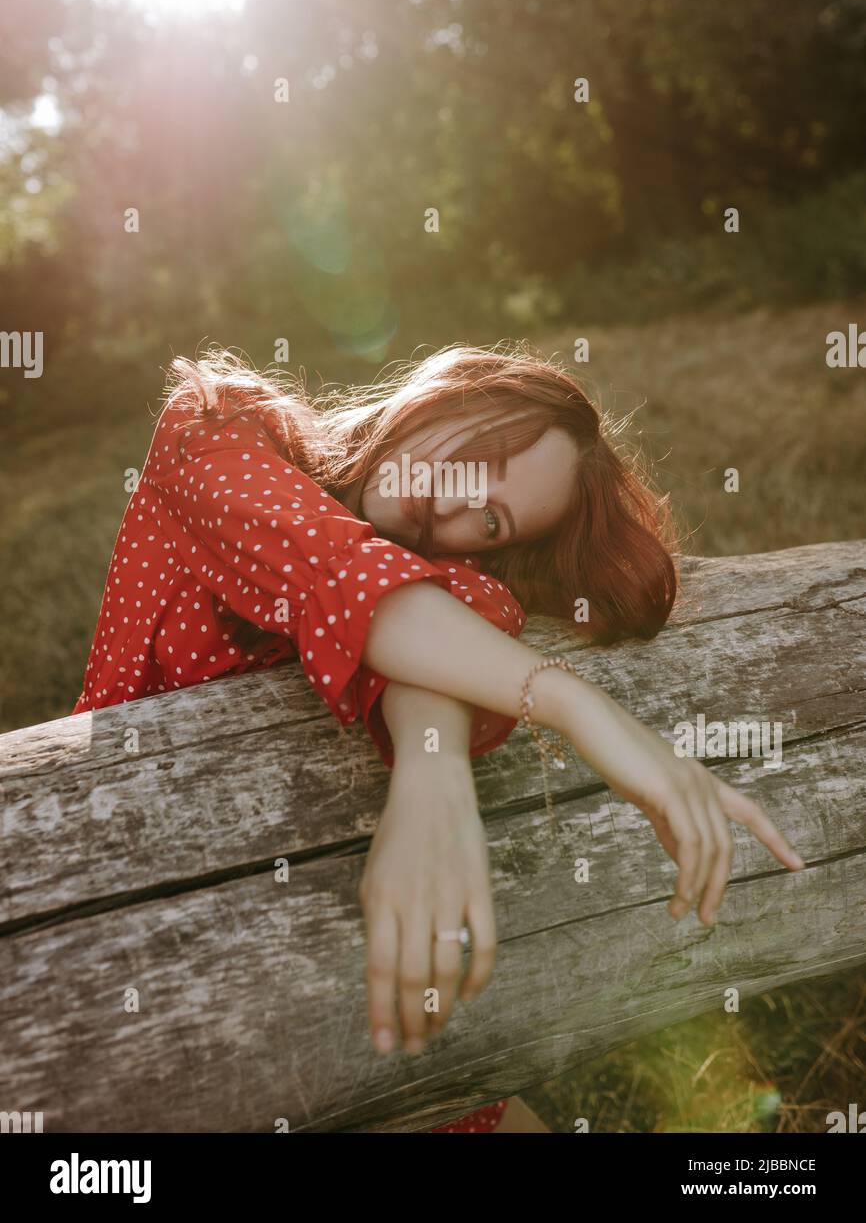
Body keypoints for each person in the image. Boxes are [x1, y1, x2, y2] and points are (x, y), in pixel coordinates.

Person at [72, 343, 804, 1133]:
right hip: (100, 931)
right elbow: (336, 573)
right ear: (453, 390)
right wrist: (583, 710)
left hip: (326, 975)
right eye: (479, 455)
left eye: (492, 519)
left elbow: (437, 610)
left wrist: (433, 768)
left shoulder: (446, 585)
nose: (456, 507)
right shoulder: (219, 428)